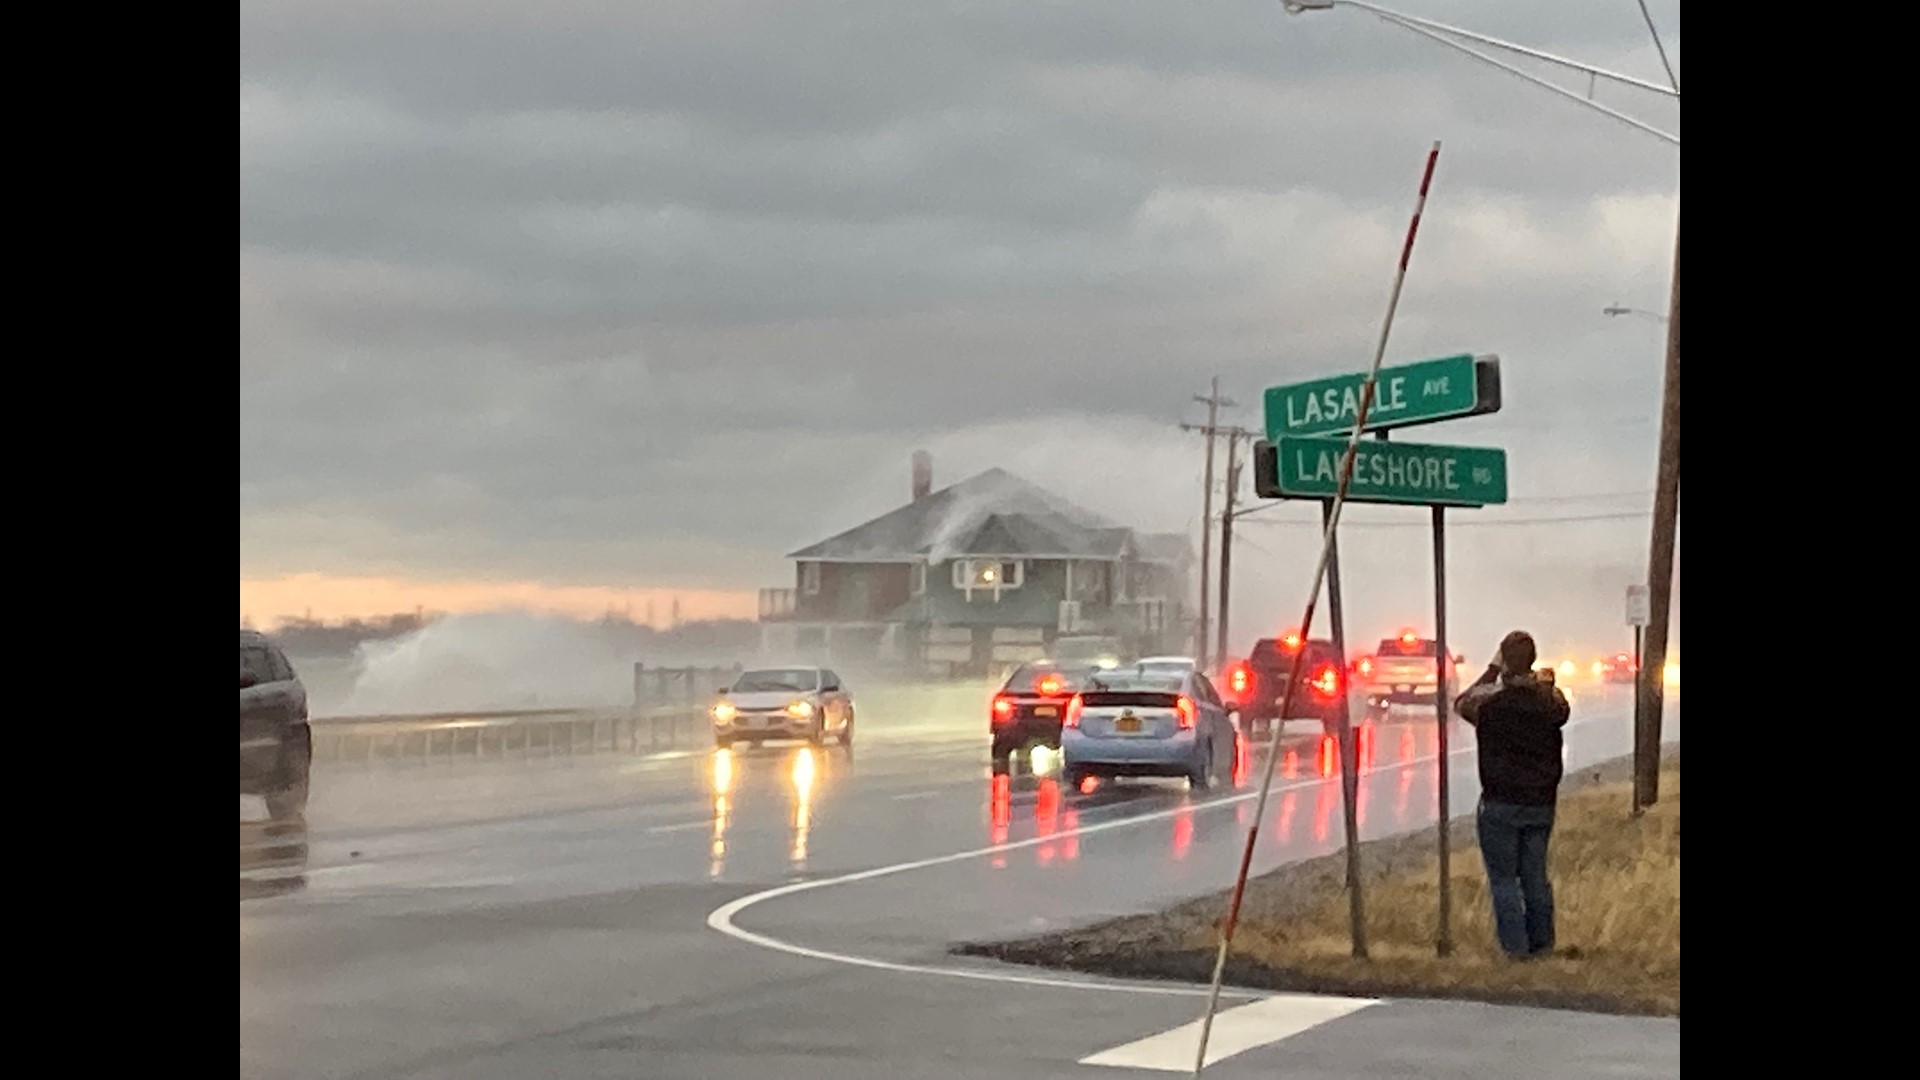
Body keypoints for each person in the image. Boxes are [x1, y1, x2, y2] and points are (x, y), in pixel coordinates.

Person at [1454, 630, 1571, 960]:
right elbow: (1560, 707)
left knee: (1504, 878)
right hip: (1540, 802)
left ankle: (1515, 950)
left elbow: (1461, 702)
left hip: (1500, 801)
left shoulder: (1489, 704)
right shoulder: (1551, 702)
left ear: (1505, 659)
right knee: (1535, 876)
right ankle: (1543, 944)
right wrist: (1544, 683)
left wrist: (1493, 669)